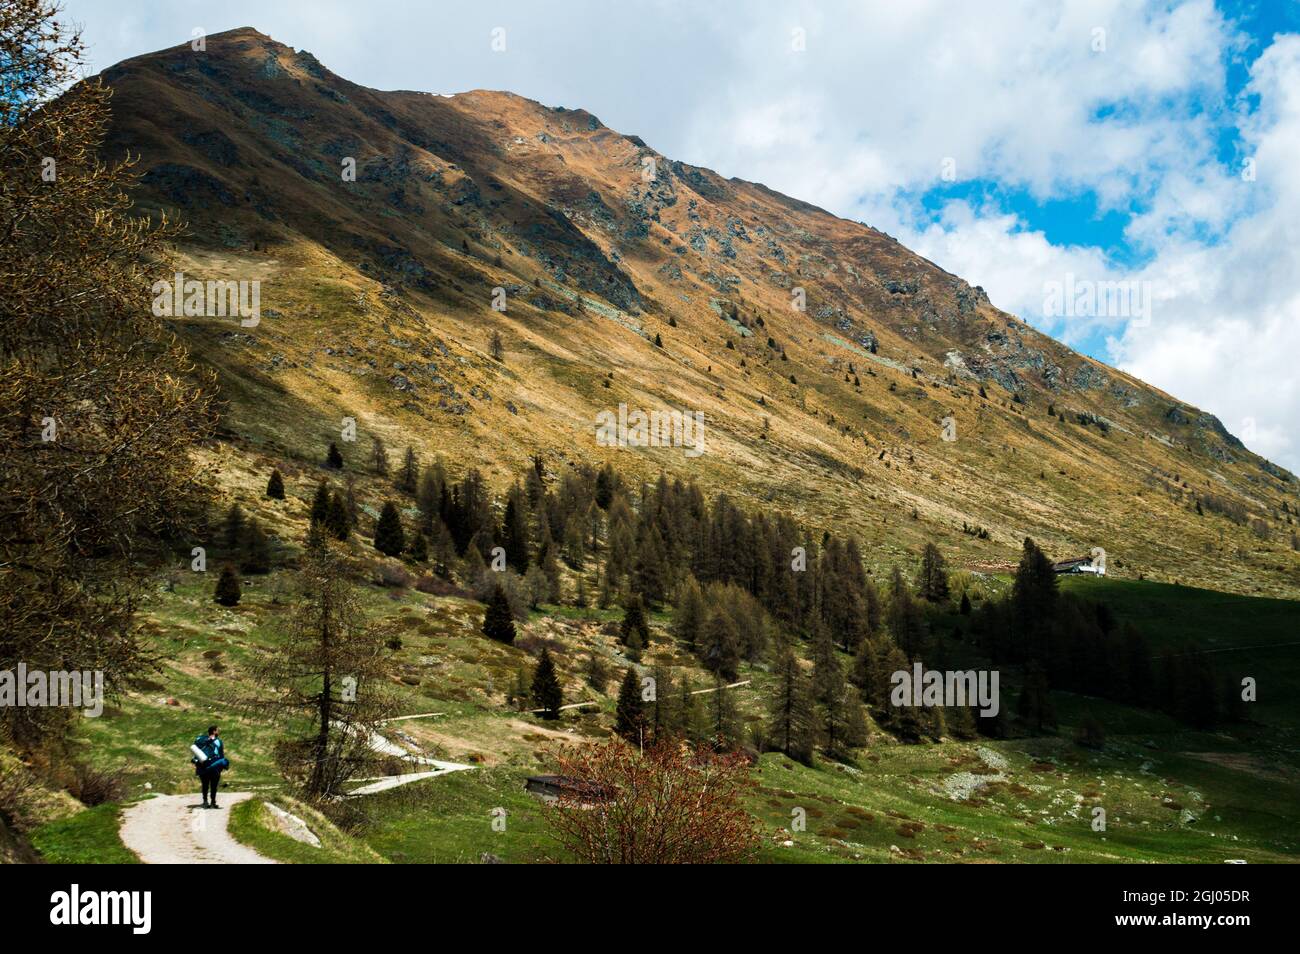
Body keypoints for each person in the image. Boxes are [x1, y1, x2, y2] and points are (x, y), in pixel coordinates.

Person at [191, 725, 229, 809]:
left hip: (203, 765)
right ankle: (213, 802)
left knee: (205, 784)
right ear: (214, 731)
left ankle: (205, 801)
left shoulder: (202, 740)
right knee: (214, 785)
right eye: (218, 730)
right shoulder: (218, 741)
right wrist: (222, 765)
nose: (218, 732)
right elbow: (221, 755)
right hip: (214, 765)